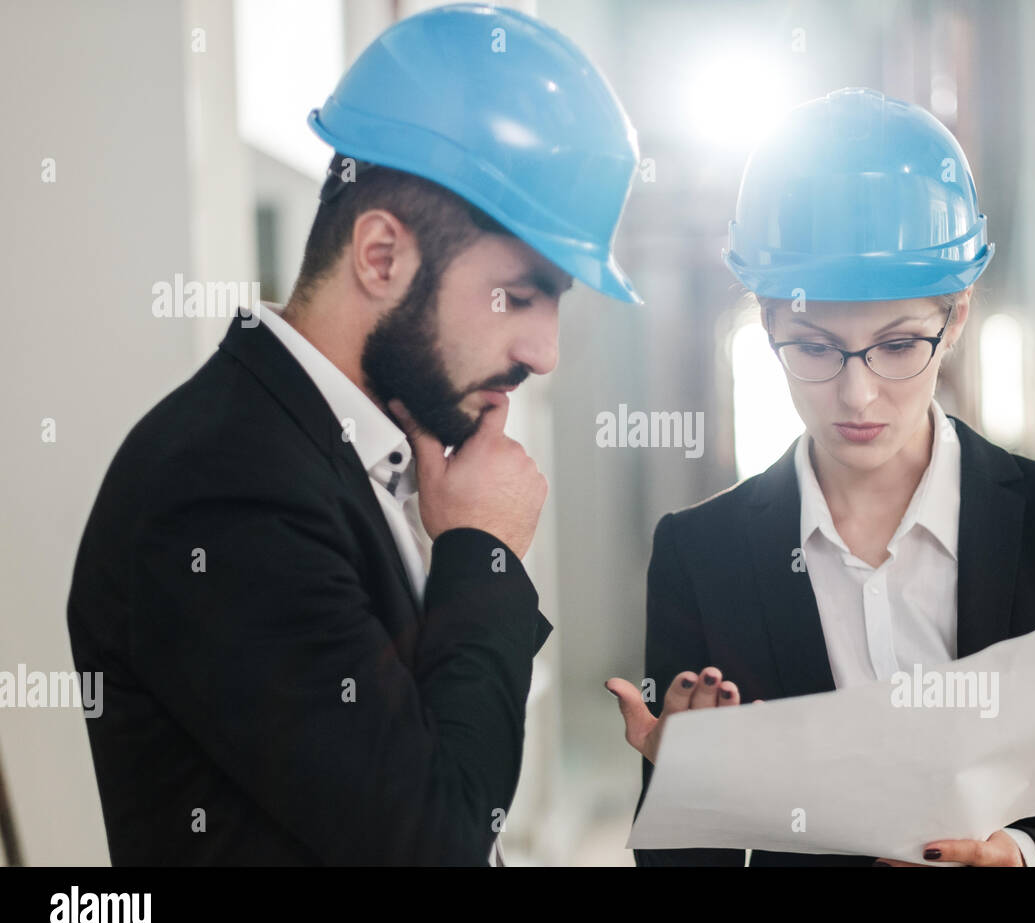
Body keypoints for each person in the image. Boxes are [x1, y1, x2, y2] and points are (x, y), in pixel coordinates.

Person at [67, 4, 640, 865]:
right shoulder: (221, 491)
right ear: (381, 256)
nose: (544, 352)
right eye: (518, 296)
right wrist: (484, 552)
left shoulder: (355, 456)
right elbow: (438, 843)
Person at [607, 87, 1035, 866]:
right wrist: (697, 790)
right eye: (814, 347)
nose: (857, 395)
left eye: (896, 345)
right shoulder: (700, 554)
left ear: (957, 317)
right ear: (767, 319)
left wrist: (1022, 858)